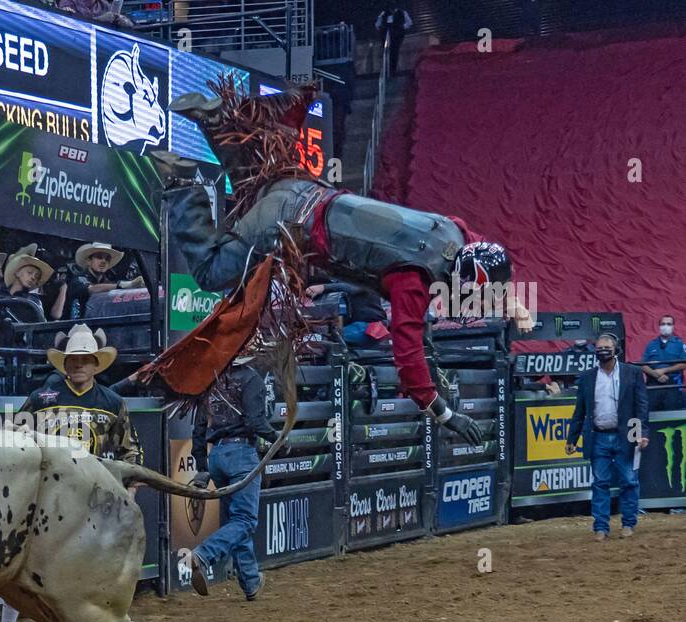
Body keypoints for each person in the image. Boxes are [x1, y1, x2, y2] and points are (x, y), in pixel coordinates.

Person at [159, 84, 532, 448]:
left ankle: (215, 121)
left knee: (249, 183)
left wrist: (509, 298)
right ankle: (182, 184)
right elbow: (408, 354)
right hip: (290, 221)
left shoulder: (453, 231)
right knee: (211, 272)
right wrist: (444, 413)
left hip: (302, 188)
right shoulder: (413, 280)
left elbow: (478, 242)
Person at [0, 323, 142, 622]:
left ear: (96, 363)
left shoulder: (112, 402)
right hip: (44, 497)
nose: (79, 365)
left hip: (88, 498)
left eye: (85, 359)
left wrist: (129, 490)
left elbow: (132, 451)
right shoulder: (42, 398)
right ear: (65, 364)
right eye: (73, 360)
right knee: (22, 559)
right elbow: (15, 435)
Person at [185, 356, 278, 600]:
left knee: (236, 521)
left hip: (216, 456)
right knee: (245, 519)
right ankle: (203, 555)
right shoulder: (250, 378)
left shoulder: (211, 380)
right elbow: (255, 421)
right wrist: (278, 439)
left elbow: (199, 430)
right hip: (241, 454)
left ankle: (250, 582)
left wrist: (203, 465)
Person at [565, 333, 649, 540]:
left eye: (606, 347)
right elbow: (580, 411)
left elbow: (642, 405)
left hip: (627, 433)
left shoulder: (633, 373)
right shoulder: (587, 378)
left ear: (616, 349)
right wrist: (572, 439)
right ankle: (600, 527)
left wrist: (642, 433)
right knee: (599, 483)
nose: (602, 351)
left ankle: (628, 523)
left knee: (629, 480)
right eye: (599, 347)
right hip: (598, 435)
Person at [51, 242, 145, 321]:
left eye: (107, 258)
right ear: (89, 261)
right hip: (73, 332)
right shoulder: (78, 279)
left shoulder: (109, 283)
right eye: (99, 257)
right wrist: (124, 285)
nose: (103, 261)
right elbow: (92, 289)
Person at [638, 314, 685, 412]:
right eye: (663, 324)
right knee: (650, 416)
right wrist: (655, 374)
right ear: (659, 326)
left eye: (669, 324)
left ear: (673, 326)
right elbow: (642, 364)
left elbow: (684, 364)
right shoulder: (651, 344)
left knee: (672, 417)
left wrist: (664, 370)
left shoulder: (679, 344)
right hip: (653, 386)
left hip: (673, 386)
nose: (666, 326)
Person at [374, 7, 412, 76]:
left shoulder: (402, 12)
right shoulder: (384, 13)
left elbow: (409, 23)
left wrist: (402, 27)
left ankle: (392, 70)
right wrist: (382, 29)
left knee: (394, 53)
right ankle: (387, 70)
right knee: (387, 53)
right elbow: (377, 24)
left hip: (397, 36)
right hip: (386, 36)